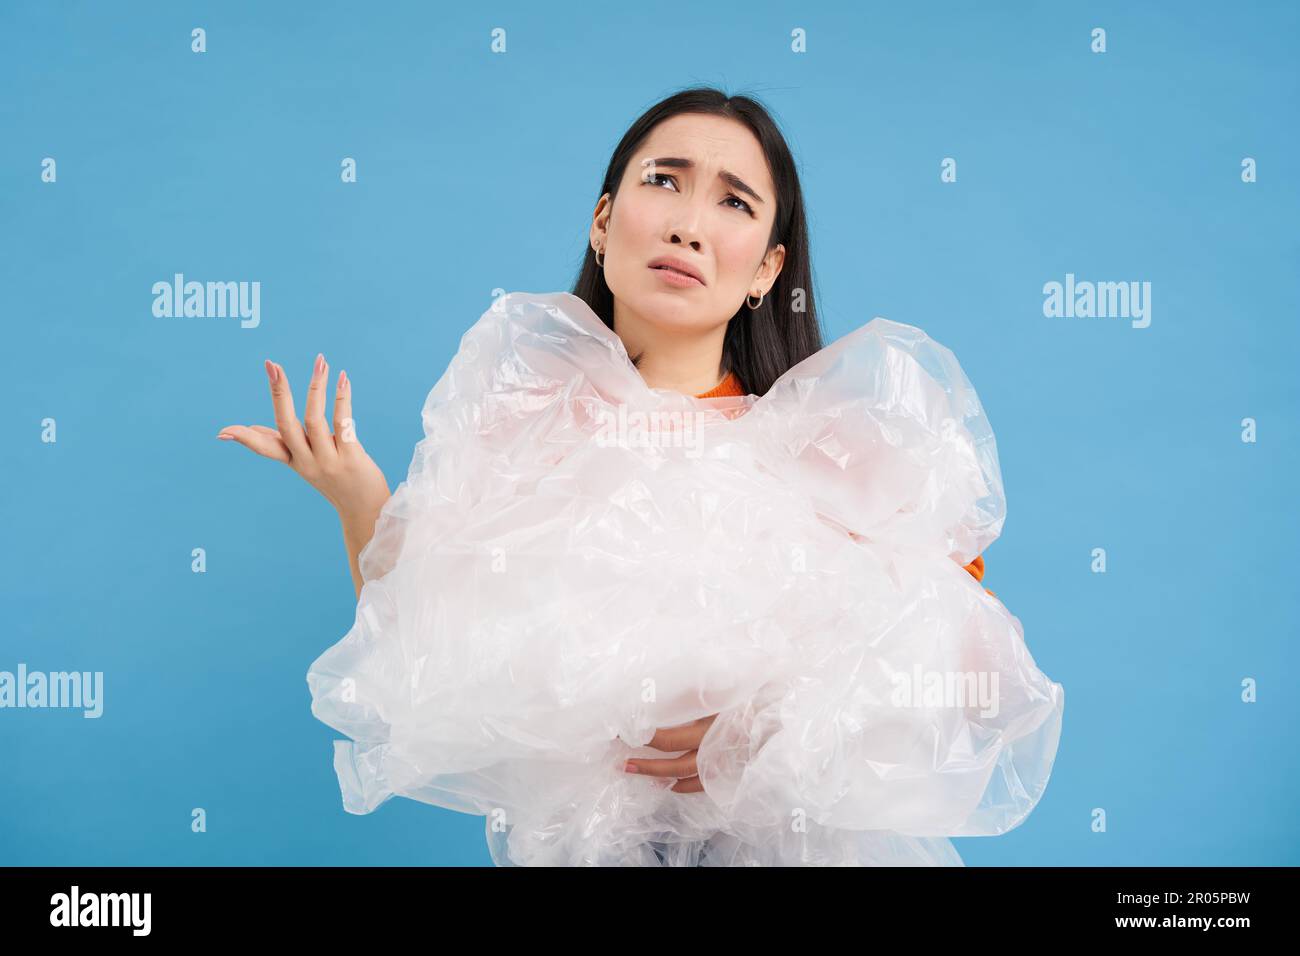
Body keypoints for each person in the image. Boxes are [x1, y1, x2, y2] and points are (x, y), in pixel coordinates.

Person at [217, 87, 1062, 866]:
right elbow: (427, 659)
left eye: (734, 201)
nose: (690, 225)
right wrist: (358, 494)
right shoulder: (521, 425)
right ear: (603, 219)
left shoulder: (835, 446)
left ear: (767, 268)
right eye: (666, 182)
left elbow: (969, 670)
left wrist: (774, 727)